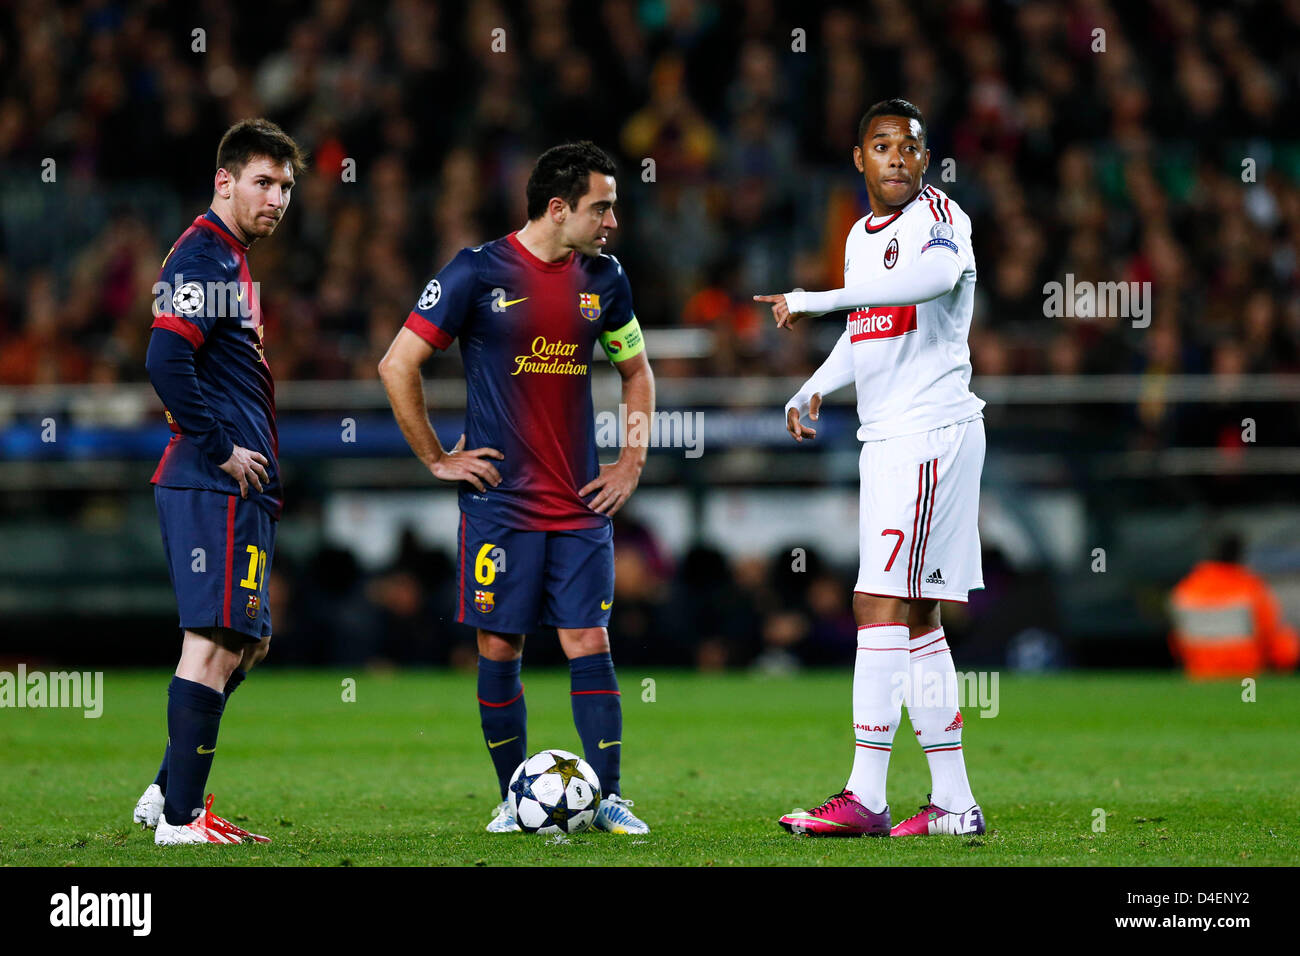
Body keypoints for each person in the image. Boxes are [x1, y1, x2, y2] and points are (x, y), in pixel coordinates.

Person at [378, 141, 654, 834]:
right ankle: (513, 797)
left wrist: (629, 463)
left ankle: (610, 796)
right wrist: (437, 458)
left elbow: (637, 373)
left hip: (580, 502)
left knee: (588, 640)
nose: (612, 221)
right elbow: (397, 363)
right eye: (602, 207)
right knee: (501, 649)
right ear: (558, 208)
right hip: (500, 505)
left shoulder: (606, 278)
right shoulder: (477, 272)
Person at [755, 98, 986, 837]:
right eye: (881, 146)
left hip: (929, 435)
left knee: (875, 604)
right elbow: (871, 326)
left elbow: (923, 285)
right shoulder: (859, 236)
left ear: (926, 159)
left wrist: (814, 298)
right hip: (889, 439)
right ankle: (953, 803)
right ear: (860, 158)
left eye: (909, 147)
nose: (896, 158)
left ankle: (866, 795)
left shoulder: (942, 221)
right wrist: (816, 382)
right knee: (915, 616)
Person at [133, 118, 305, 845]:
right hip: (212, 481)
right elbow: (165, 361)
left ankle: (168, 790)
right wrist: (224, 449)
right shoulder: (206, 257)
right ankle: (180, 820)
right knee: (211, 644)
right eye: (263, 183)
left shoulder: (225, 259)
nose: (276, 199)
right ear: (224, 182)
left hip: (229, 484)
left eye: (286, 187)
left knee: (246, 640)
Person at [1169, 533, 1299, 679]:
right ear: (1240, 556)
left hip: (1200, 670)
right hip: (1245, 670)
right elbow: (1268, 632)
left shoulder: (1186, 588)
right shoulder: (1249, 587)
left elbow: (1177, 638)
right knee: (1286, 639)